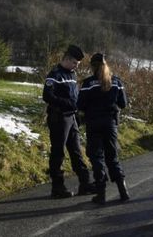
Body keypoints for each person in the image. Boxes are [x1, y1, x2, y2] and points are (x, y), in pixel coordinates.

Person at [42, 44, 97, 198]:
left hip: (71, 118)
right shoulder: (55, 74)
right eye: (74, 63)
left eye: (77, 64)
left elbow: (75, 96)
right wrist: (67, 103)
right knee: (58, 152)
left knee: (76, 151)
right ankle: (57, 187)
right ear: (66, 59)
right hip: (59, 117)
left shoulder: (72, 74)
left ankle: (85, 183)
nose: (76, 66)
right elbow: (47, 96)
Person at [77, 52, 129, 204]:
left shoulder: (88, 83)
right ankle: (123, 191)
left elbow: (80, 105)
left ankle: (101, 194)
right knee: (112, 157)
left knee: (96, 157)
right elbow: (123, 103)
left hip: (93, 123)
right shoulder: (116, 81)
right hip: (110, 123)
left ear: (92, 66)